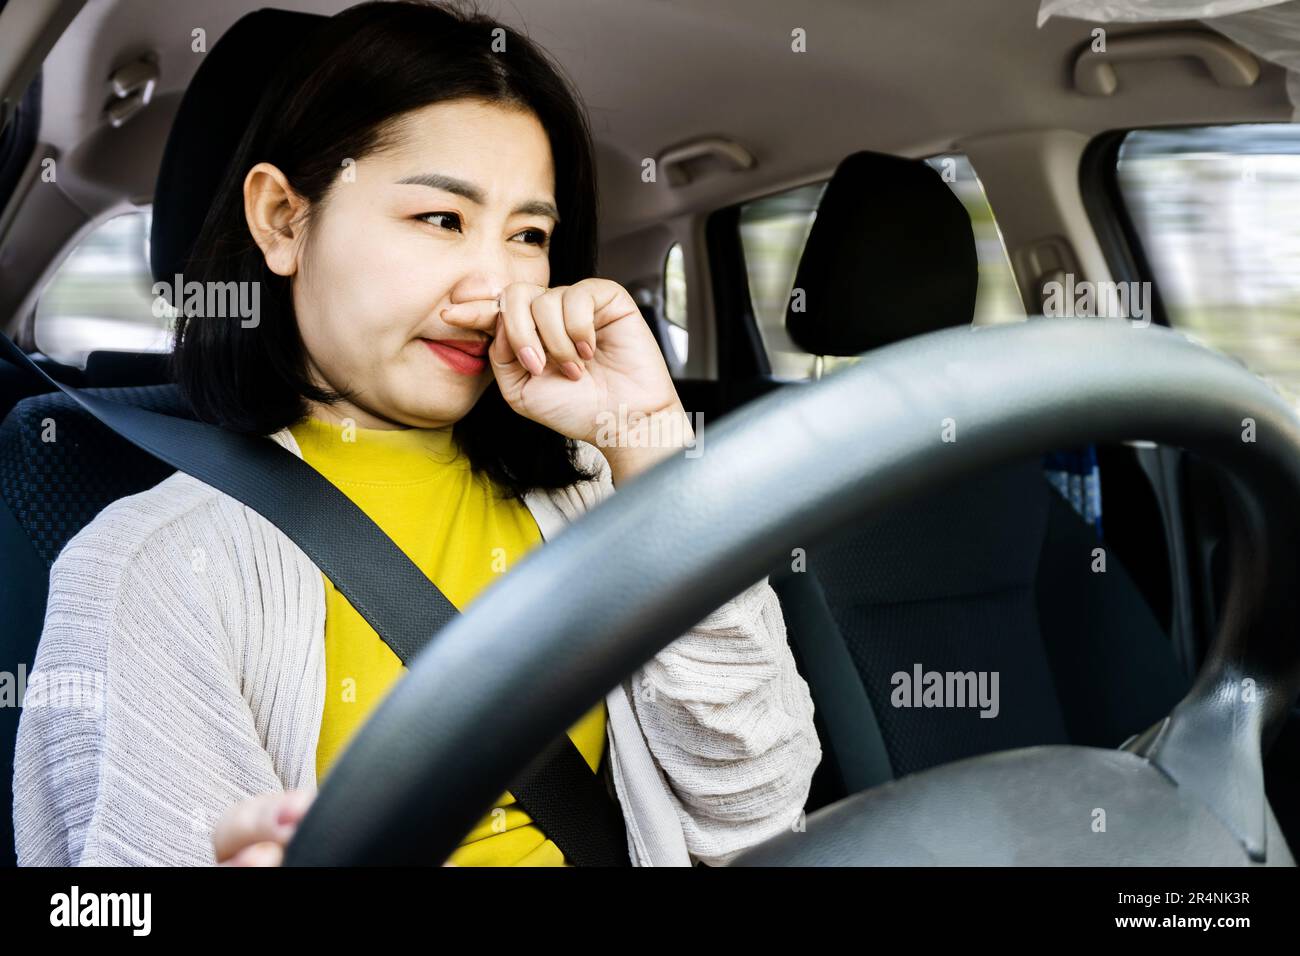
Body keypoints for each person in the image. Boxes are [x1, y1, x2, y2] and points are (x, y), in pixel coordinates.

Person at [12, 0, 820, 867]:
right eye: (441, 219)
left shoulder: (596, 487)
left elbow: (758, 817)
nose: (494, 289)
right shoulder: (158, 566)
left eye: (530, 235)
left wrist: (655, 453)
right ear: (284, 220)